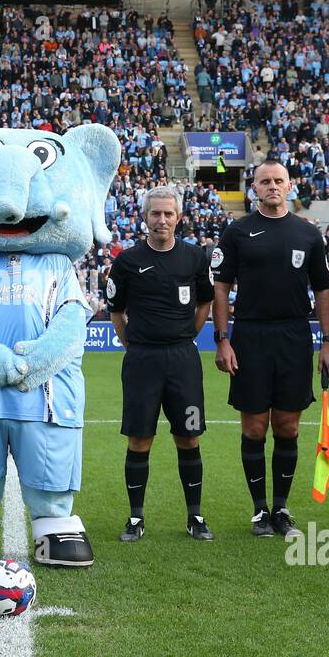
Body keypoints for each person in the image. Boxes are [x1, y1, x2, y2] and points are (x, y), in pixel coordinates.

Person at [213, 160, 329, 537]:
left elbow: (324, 289)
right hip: (249, 336)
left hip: (293, 337)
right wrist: (223, 339)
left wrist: (328, 342)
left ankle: (281, 510)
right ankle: (258, 510)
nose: (271, 186)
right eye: (264, 181)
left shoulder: (308, 234)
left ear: (290, 186)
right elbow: (221, 286)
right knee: (253, 428)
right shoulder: (237, 232)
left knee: (287, 426)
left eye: (278, 180)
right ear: (253, 188)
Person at [105, 186, 214, 542]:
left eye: (168, 214)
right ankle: (136, 518)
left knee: (189, 437)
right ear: (145, 217)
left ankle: (195, 516)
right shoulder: (127, 261)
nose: (162, 220)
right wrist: (132, 344)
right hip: (142, 361)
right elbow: (116, 311)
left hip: (183, 359)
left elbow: (204, 303)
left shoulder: (195, 257)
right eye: (155, 214)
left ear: (178, 217)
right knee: (139, 439)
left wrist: (186, 336)